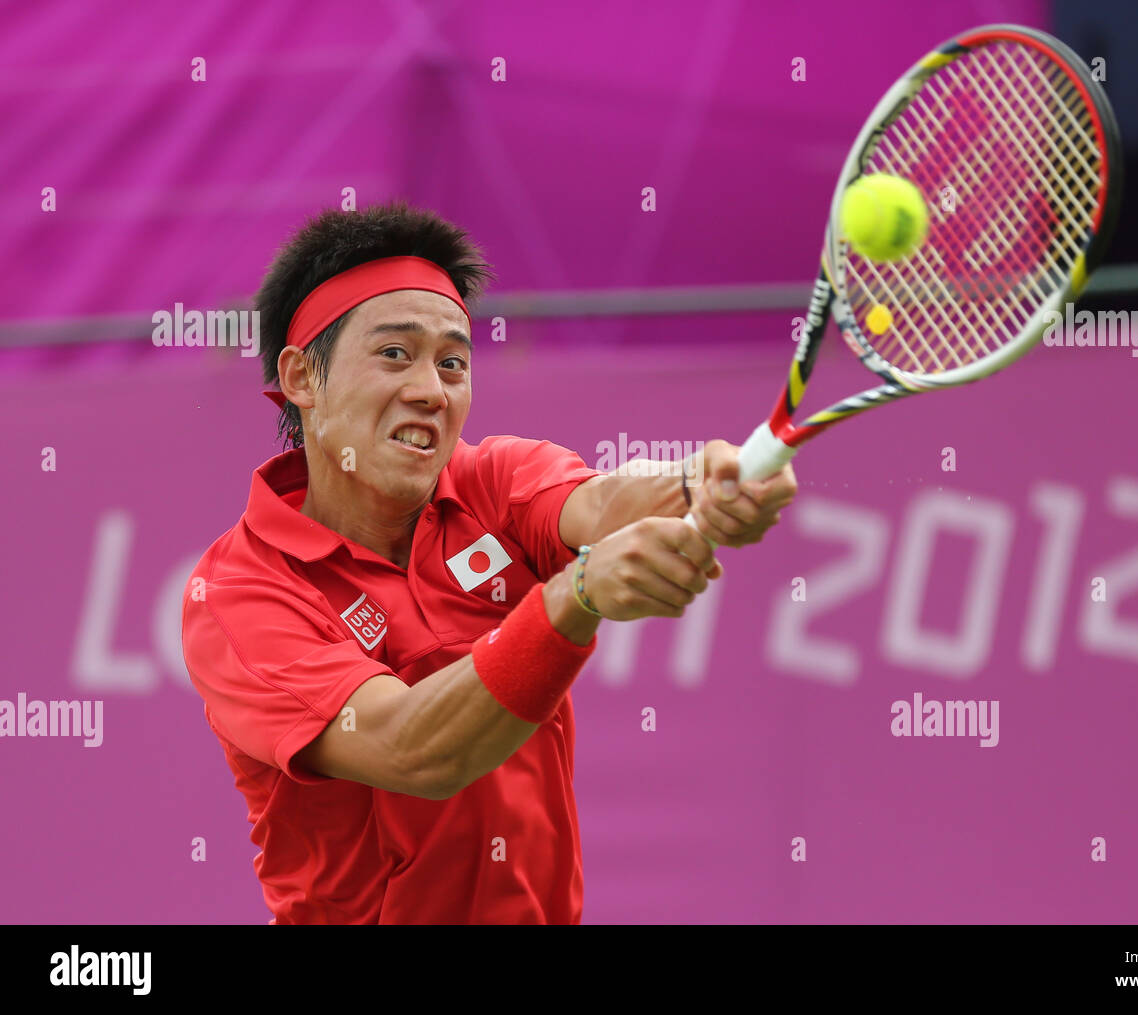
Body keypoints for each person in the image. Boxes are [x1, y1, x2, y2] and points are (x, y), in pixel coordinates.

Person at [181, 201, 798, 924]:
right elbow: (414, 751)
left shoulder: (493, 479)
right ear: (301, 377)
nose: (430, 390)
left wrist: (700, 483)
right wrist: (574, 597)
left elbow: (598, 504)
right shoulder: (238, 593)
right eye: (393, 354)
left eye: (452, 362)